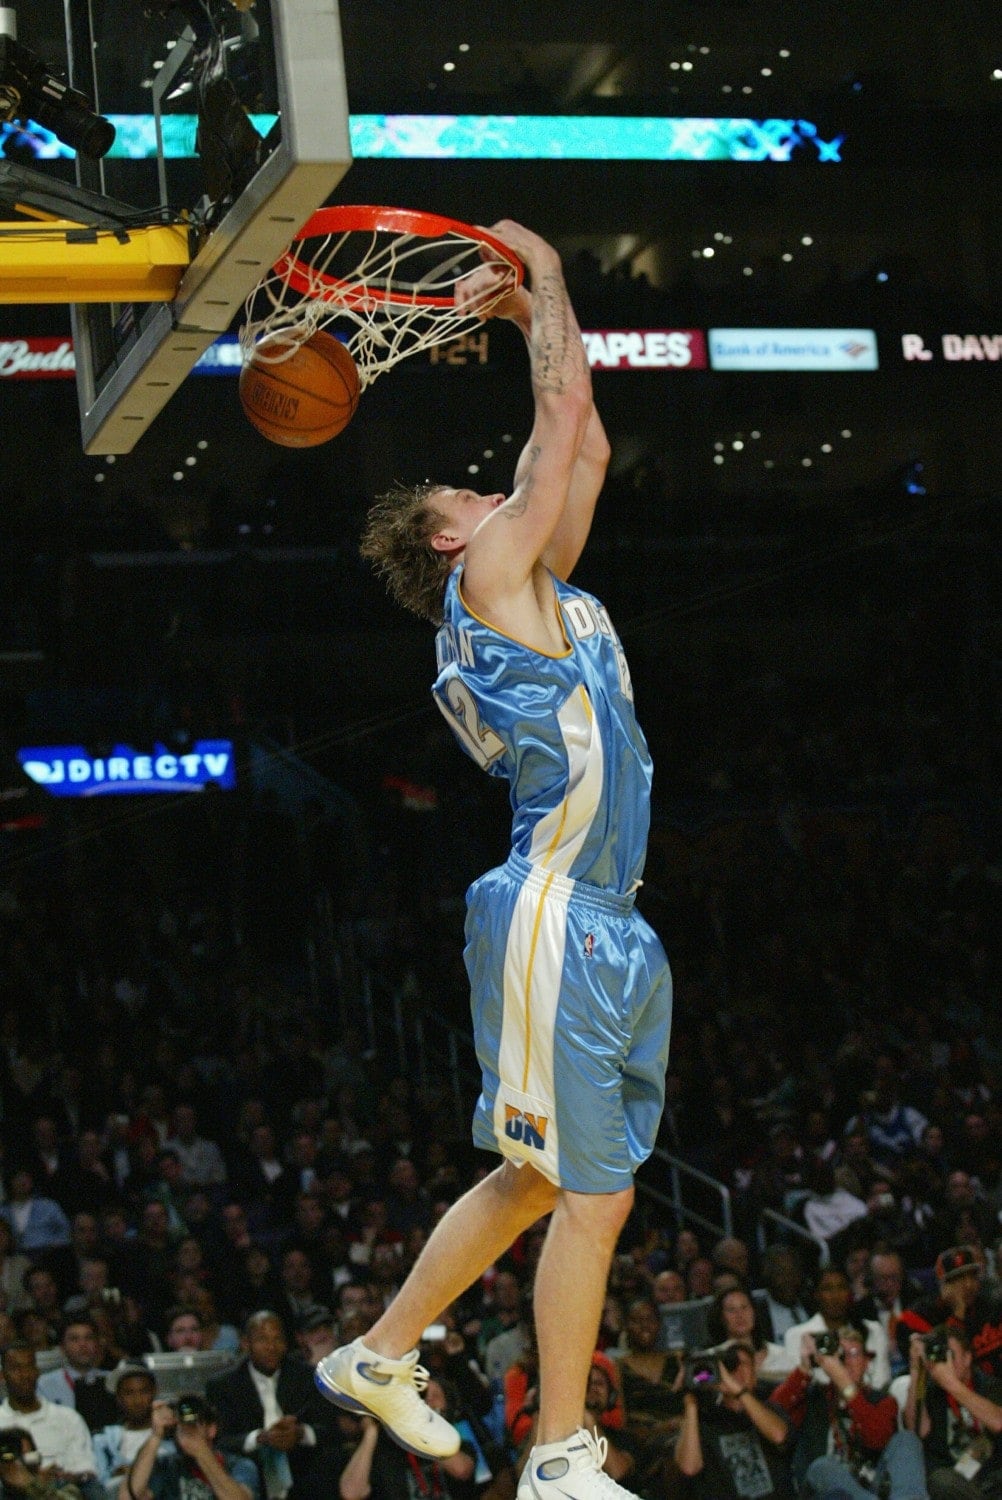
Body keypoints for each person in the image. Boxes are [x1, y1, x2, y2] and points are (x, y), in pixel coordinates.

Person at [318, 219, 672, 1500]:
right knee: (590, 1197)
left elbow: (584, 441)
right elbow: (556, 424)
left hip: (606, 914)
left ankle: (380, 1349)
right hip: (553, 907)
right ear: (453, 544)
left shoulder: (541, 591)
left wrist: (531, 321)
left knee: (544, 1185)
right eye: (466, 499)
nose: (490, 490)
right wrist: (548, 285)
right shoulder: (489, 589)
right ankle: (559, 1454)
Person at [769, 1324, 927, 1500]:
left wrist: (844, 1383)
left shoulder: (882, 1401)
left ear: (867, 1362)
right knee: (823, 1466)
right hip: (824, 1490)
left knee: (907, 1439)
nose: (846, 1361)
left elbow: (877, 1439)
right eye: (840, 1354)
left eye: (853, 1354)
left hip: (870, 1486)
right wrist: (805, 1367)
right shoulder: (814, 1396)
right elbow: (773, 1414)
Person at [674, 1340, 794, 1500]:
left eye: (744, 1364)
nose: (737, 1370)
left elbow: (778, 1435)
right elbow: (689, 1468)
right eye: (730, 1365)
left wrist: (738, 1390)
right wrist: (691, 1401)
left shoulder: (771, 1409)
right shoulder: (704, 1420)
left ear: (755, 1376)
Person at [903, 1325, 1002, 1500]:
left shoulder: (990, 1386)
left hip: (992, 1482)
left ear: (967, 1358)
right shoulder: (932, 1391)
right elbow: (916, 1429)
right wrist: (916, 1369)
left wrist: (952, 1384)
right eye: (941, 1355)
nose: (945, 1363)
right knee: (941, 1481)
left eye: (951, 1355)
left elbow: (998, 1422)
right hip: (951, 1485)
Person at [0, 1344, 103, 1500]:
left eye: (29, 1367)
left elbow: (85, 1468)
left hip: (59, 1489)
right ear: (2, 1375)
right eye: (16, 1368)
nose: (24, 1375)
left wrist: (56, 1477)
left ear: (37, 1372)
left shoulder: (67, 1418)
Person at [122, 1395, 258, 1500]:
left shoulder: (239, 1465)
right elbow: (129, 1496)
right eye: (181, 1425)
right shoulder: (166, 1465)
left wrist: (201, 1451)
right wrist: (156, 1435)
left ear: (211, 1429)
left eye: (194, 1424)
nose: (186, 1431)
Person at [36, 1319, 118, 1434]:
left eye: (89, 1338)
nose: (83, 1345)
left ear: (97, 1344)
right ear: (62, 1348)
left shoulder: (113, 1379)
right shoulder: (44, 1384)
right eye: (74, 1339)